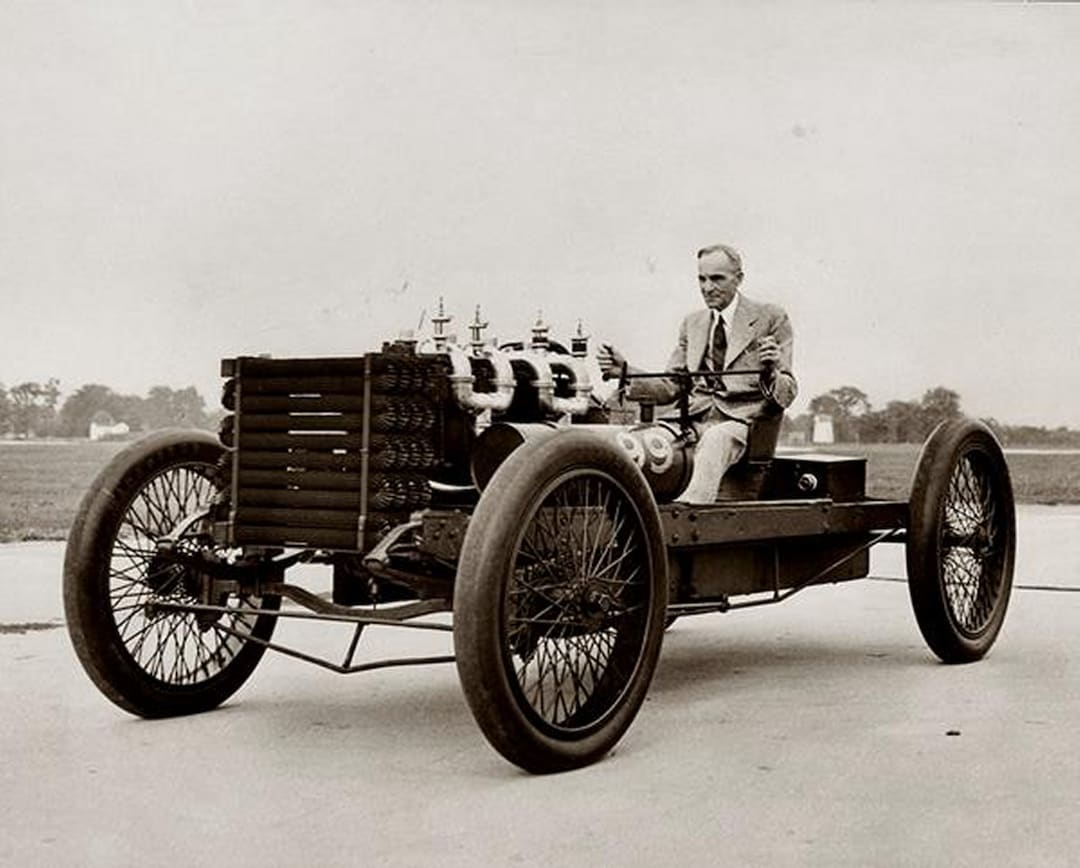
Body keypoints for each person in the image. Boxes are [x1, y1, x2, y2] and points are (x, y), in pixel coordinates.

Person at [597, 243, 797, 503]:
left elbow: (788, 391)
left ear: (739, 279)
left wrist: (771, 372)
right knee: (639, 443)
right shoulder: (692, 324)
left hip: (741, 425)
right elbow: (672, 385)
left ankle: (688, 512)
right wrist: (623, 372)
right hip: (689, 421)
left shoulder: (770, 317)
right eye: (701, 279)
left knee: (716, 438)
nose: (707, 287)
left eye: (717, 278)